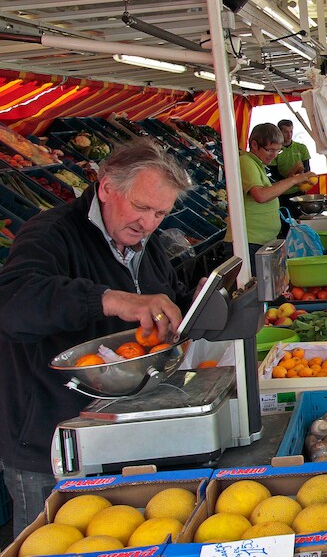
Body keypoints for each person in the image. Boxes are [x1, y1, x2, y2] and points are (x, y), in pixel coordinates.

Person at [0, 140, 194, 530]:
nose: (149, 223)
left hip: (118, 431)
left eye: (160, 213)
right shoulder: (52, 233)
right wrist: (111, 300)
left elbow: (163, 302)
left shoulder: (145, 244)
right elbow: (14, 303)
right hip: (53, 443)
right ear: (106, 188)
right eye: (141, 207)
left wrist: (197, 303)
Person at [230, 123, 315, 270]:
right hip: (249, 243)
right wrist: (294, 180)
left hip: (261, 242)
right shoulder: (246, 162)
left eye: (278, 151)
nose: (274, 155)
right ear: (254, 145)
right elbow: (261, 195)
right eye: (270, 150)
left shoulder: (258, 164)